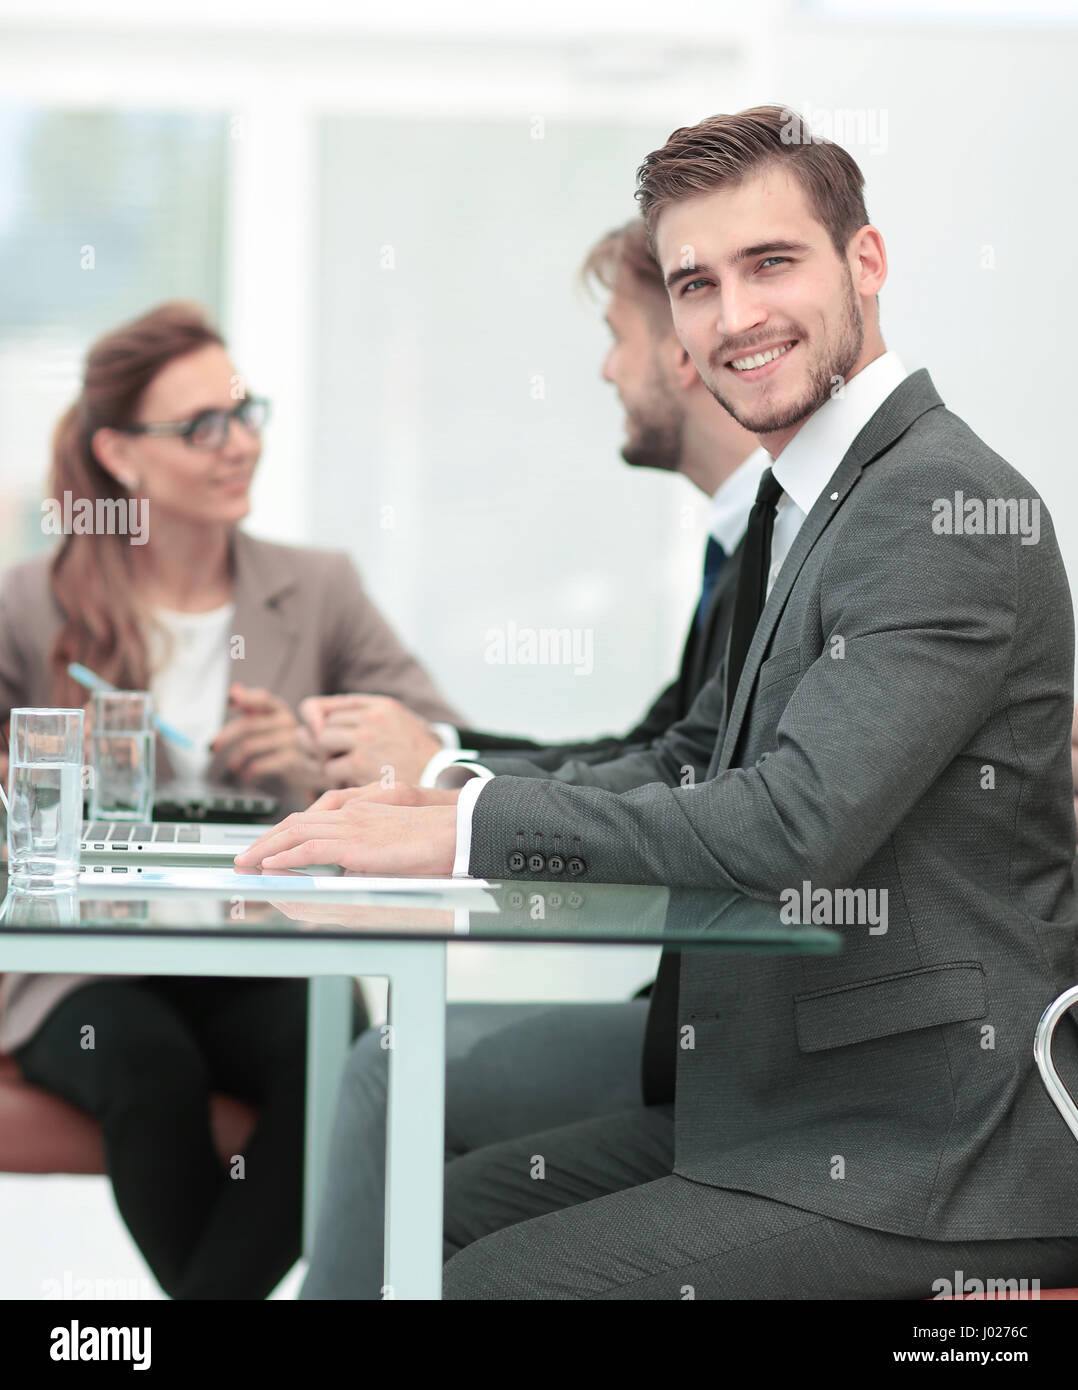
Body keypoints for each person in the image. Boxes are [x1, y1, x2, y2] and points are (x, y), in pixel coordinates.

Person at [239, 105, 1078, 1299]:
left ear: (866, 263)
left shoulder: (935, 505)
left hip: (932, 1147)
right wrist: (455, 791)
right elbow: (692, 759)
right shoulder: (814, 503)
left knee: (494, 1283)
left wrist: (468, 827)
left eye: (770, 263)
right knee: (428, 1225)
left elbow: (794, 827)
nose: (733, 317)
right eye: (696, 283)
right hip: (782, 1106)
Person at [297, 219, 761, 1299]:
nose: (604, 366)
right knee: (388, 1080)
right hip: (697, 1016)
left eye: (616, 335)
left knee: (389, 1074)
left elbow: (687, 778)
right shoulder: (747, 547)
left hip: (737, 1047)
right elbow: (665, 748)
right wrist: (449, 764)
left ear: (685, 352)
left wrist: (450, 785)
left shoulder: (786, 552)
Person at [0, 301, 460, 1299]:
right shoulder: (31, 602)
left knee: (338, 1052)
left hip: (266, 941)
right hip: (90, 965)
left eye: (245, 411)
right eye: (203, 425)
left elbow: (441, 753)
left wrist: (309, 760)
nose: (240, 441)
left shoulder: (317, 587)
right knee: (146, 1067)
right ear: (120, 455)